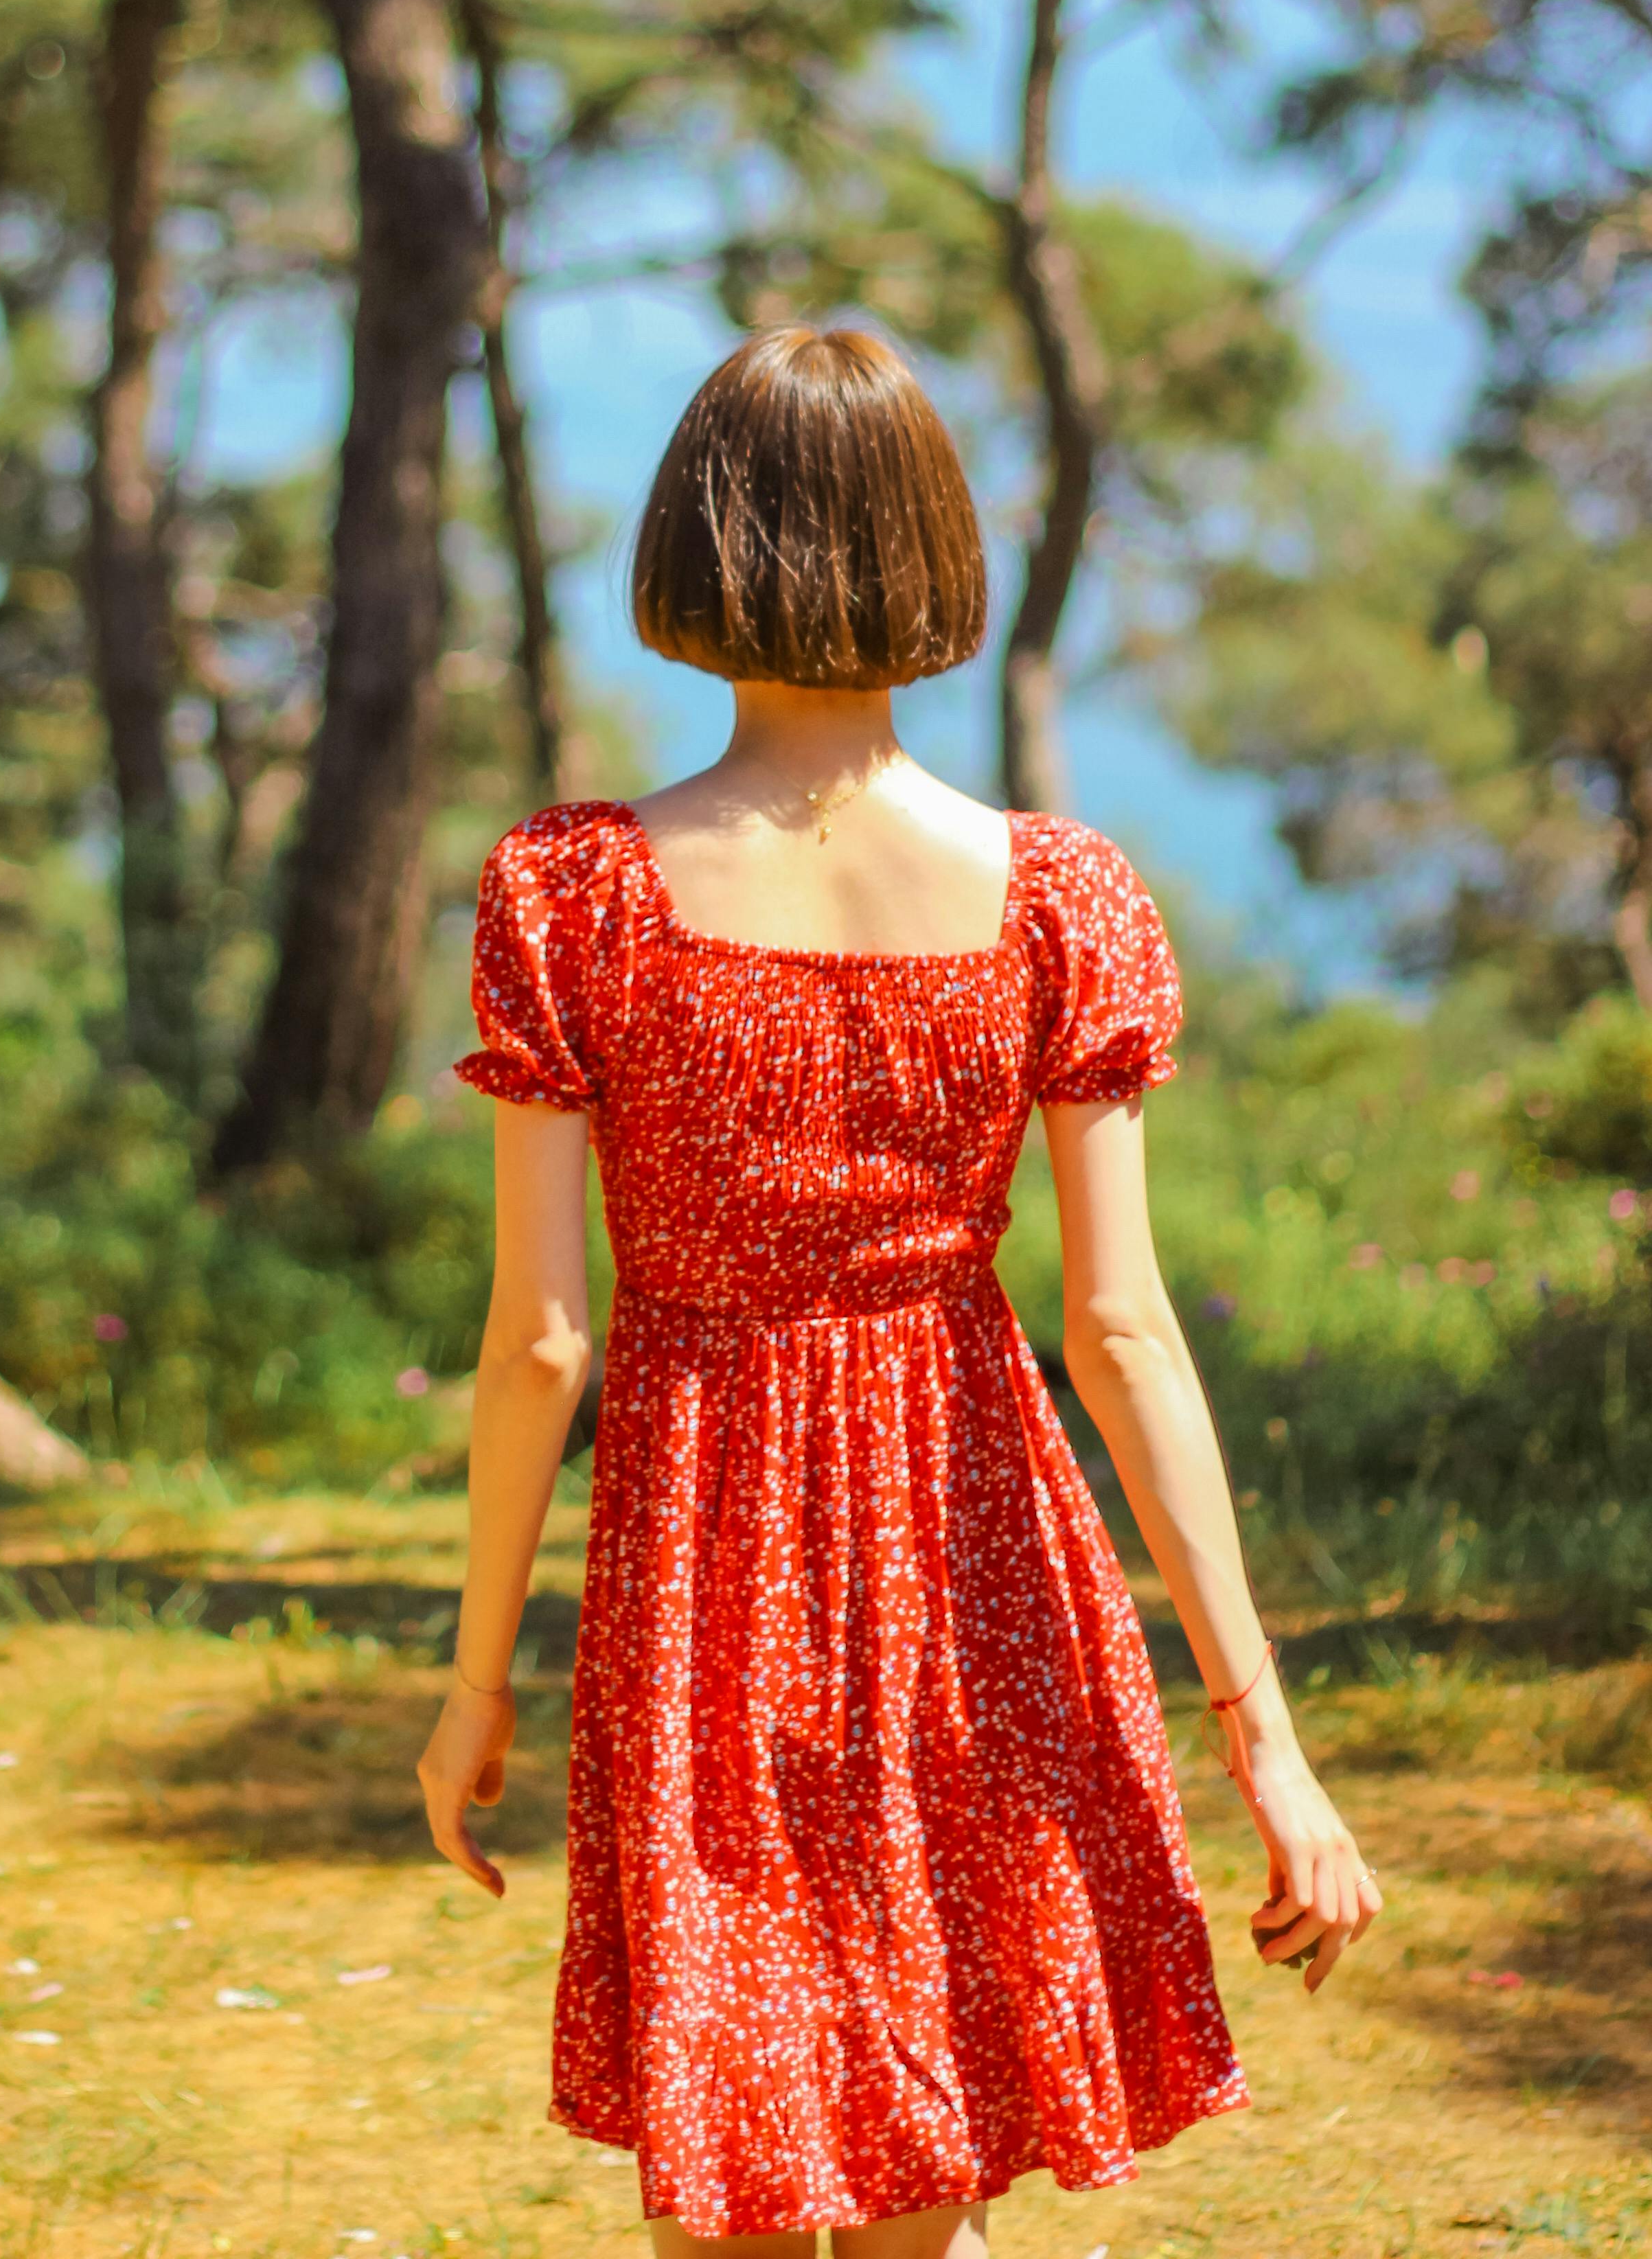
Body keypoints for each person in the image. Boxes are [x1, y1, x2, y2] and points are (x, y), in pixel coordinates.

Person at [415, 325, 1381, 2258]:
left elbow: (539, 1343)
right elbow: (1119, 1327)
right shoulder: (1062, 893)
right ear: (941, 554)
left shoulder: (572, 893)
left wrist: (472, 1689)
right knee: (922, 2157)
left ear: (697, 549)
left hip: (707, 1556)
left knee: (746, 2138)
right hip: (980, 1539)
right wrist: (1264, 1736)